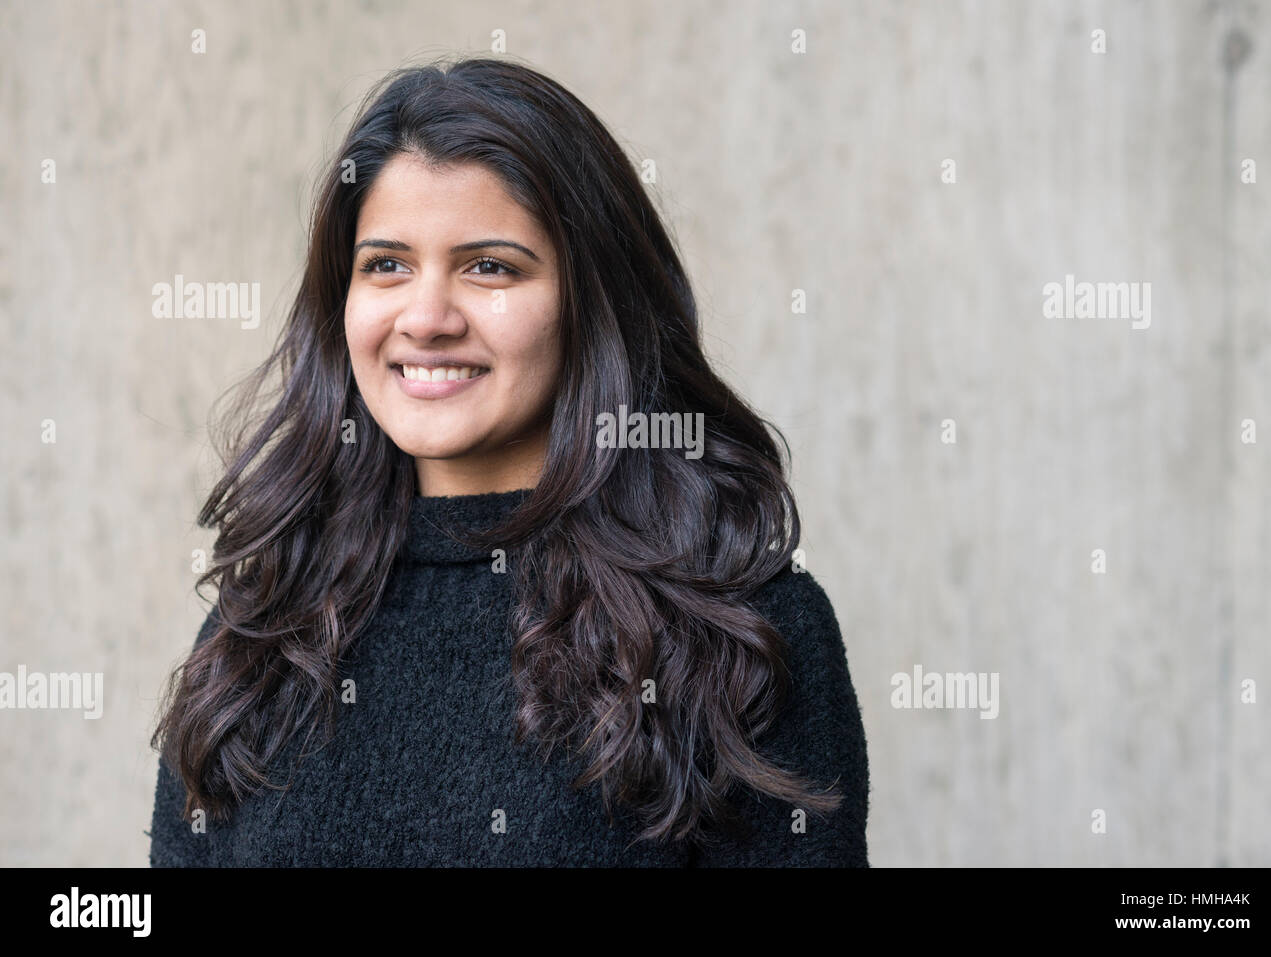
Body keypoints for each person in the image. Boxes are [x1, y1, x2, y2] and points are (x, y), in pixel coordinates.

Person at [148, 55, 869, 867]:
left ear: (591, 302)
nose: (425, 317)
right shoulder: (265, 622)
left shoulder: (737, 627)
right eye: (386, 264)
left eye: (489, 266)